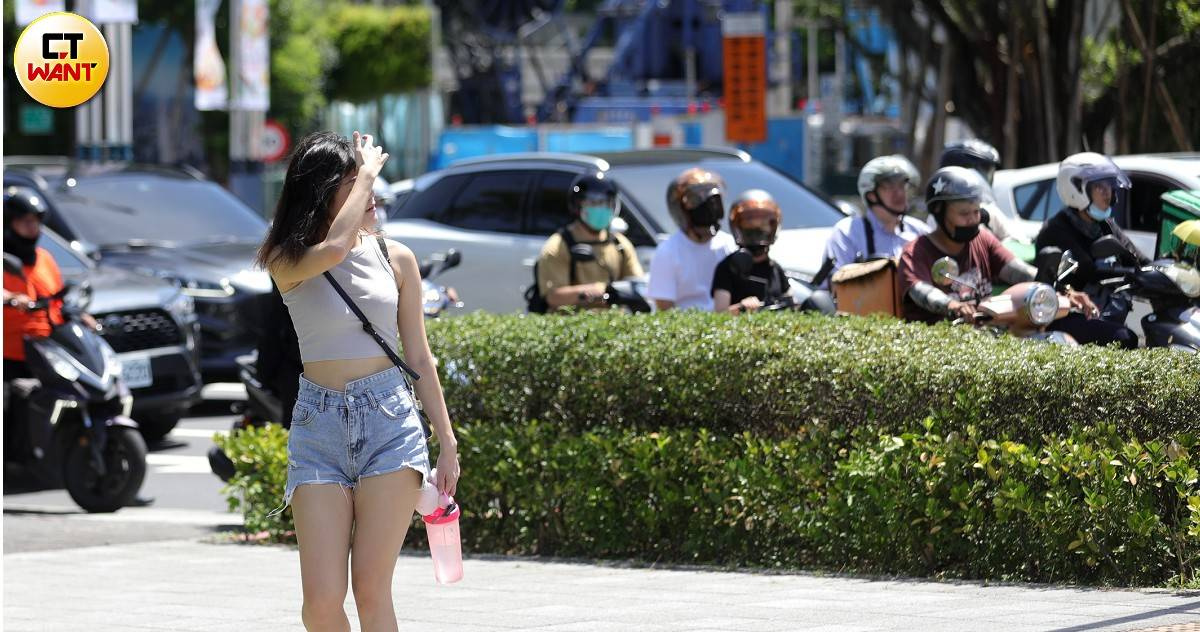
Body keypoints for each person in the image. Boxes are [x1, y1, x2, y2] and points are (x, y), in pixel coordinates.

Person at [255, 131, 460, 630]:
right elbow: (335, 248)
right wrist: (366, 170)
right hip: (318, 427)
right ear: (321, 191)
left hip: (390, 421)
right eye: (355, 185)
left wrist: (448, 441)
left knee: (371, 591)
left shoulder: (397, 258)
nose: (373, 195)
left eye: (368, 184)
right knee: (321, 604)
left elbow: (419, 355)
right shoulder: (288, 259)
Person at [899, 167, 1135, 348]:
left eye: (976, 212)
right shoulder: (917, 251)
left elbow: (1016, 269)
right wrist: (954, 306)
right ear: (939, 213)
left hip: (989, 334)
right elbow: (920, 290)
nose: (973, 220)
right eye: (964, 214)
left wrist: (1060, 290)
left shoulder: (981, 238)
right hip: (944, 342)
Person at [1035, 152, 1150, 324]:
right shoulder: (1055, 230)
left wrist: (1162, 269)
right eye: (1099, 187)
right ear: (1076, 189)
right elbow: (1087, 269)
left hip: (1106, 309)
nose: (1107, 193)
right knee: (1124, 338)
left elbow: (1137, 258)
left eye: (1109, 186)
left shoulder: (1106, 224)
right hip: (1070, 315)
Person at [532, 171, 643, 311]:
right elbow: (553, 297)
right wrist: (598, 291)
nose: (601, 208)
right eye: (593, 203)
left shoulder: (620, 244)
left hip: (614, 327)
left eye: (605, 203)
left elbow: (636, 285)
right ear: (578, 206)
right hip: (572, 328)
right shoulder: (558, 246)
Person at [818, 155, 928, 286]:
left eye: (902, 185)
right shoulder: (847, 232)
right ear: (871, 195)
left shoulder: (920, 230)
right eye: (889, 186)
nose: (900, 193)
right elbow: (834, 286)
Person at [647, 167, 738, 311]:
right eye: (696, 200)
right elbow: (665, 310)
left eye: (712, 200)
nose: (708, 207)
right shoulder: (668, 252)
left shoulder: (729, 245)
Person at [711, 190, 791, 314]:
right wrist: (741, 308)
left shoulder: (775, 269)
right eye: (749, 224)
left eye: (763, 224)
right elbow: (719, 315)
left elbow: (793, 305)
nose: (756, 230)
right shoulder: (726, 268)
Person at [937, 139, 1015, 241]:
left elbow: (1015, 240)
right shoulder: (939, 214)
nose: (972, 218)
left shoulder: (988, 211)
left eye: (976, 213)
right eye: (963, 213)